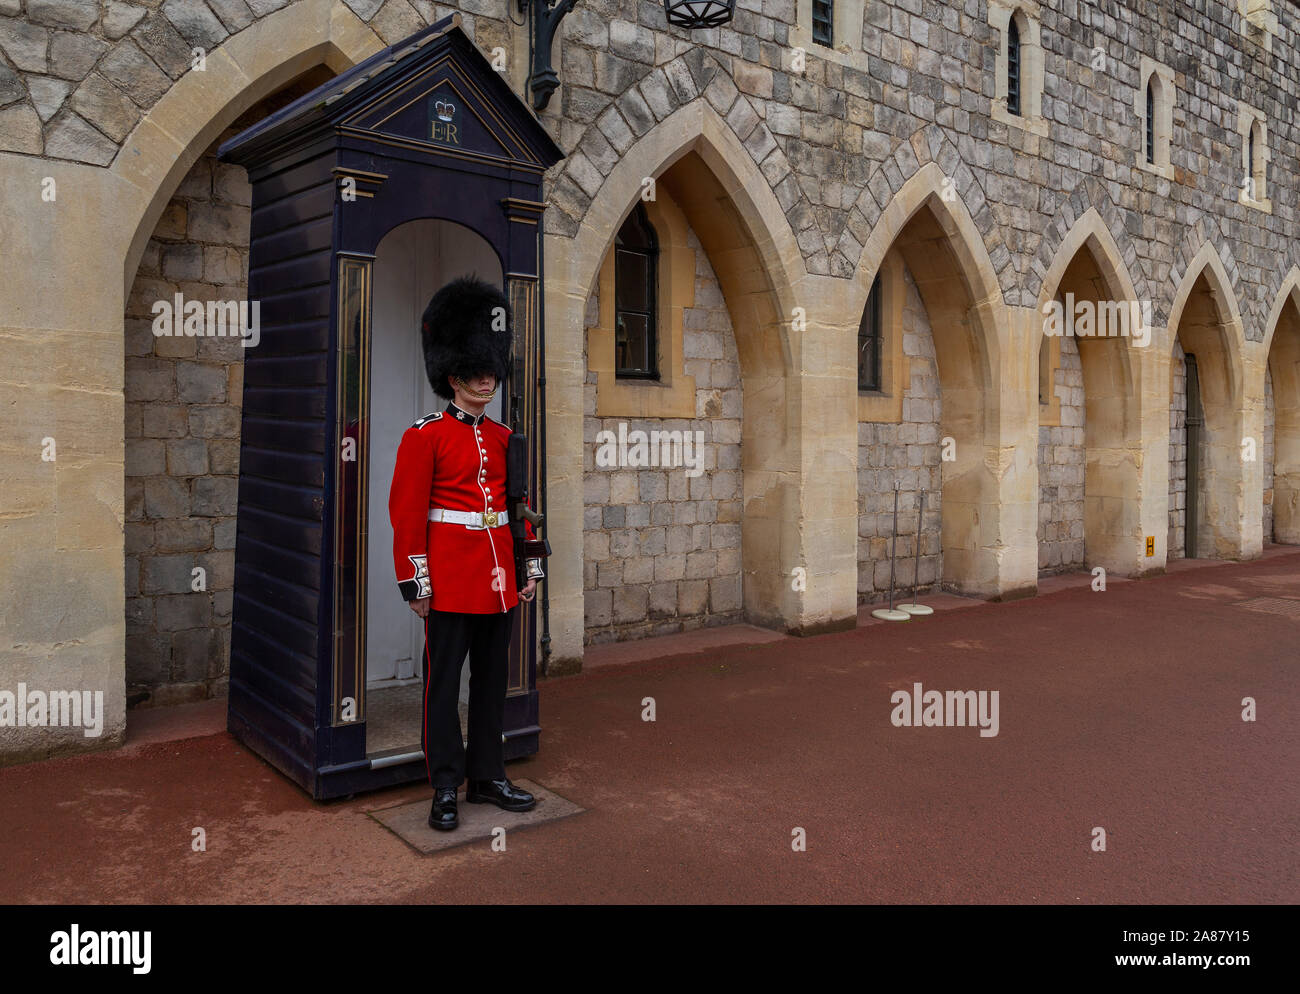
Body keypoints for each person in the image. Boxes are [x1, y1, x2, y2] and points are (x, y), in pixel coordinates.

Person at [388, 274, 544, 832]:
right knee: (444, 684)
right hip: (450, 580)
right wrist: (417, 582)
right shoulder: (423, 436)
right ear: (452, 376)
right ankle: (446, 786)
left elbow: (519, 510)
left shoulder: (504, 440)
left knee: (489, 683)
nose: (486, 380)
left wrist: (528, 569)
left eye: (491, 371)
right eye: (476, 372)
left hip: (498, 580)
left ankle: (487, 775)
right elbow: (407, 516)